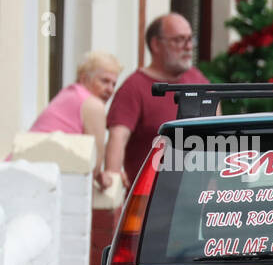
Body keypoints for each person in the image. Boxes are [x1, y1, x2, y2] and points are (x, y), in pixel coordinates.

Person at [104, 13, 208, 191]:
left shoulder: (198, 80)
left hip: (196, 201)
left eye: (191, 39)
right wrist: (112, 186)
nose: (188, 47)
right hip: (151, 206)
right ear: (156, 44)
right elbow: (117, 140)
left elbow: (218, 136)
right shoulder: (134, 87)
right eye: (179, 40)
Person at [28, 51, 121, 177]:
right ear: (84, 78)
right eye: (104, 81)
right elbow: (95, 167)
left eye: (113, 84)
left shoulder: (70, 94)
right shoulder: (93, 105)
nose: (110, 89)